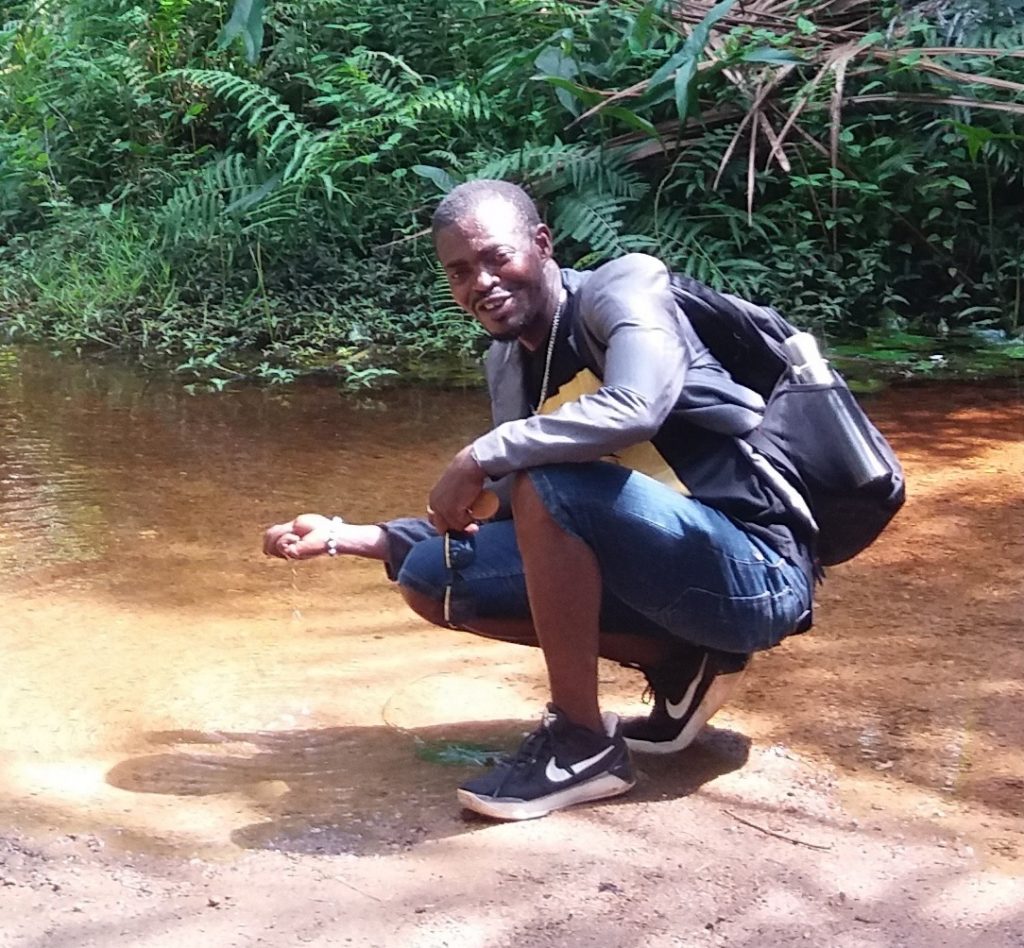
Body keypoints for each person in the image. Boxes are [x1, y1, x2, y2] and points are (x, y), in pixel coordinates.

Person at [262, 179, 815, 822]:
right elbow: (509, 519)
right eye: (461, 271)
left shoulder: (624, 288)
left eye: (497, 257)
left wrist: (481, 453)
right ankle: (683, 661)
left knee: (545, 477)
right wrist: (353, 535)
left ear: (542, 244)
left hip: (757, 569)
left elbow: (639, 405)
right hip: (668, 576)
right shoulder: (507, 363)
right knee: (435, 575)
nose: (482, 282)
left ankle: (582, 745)